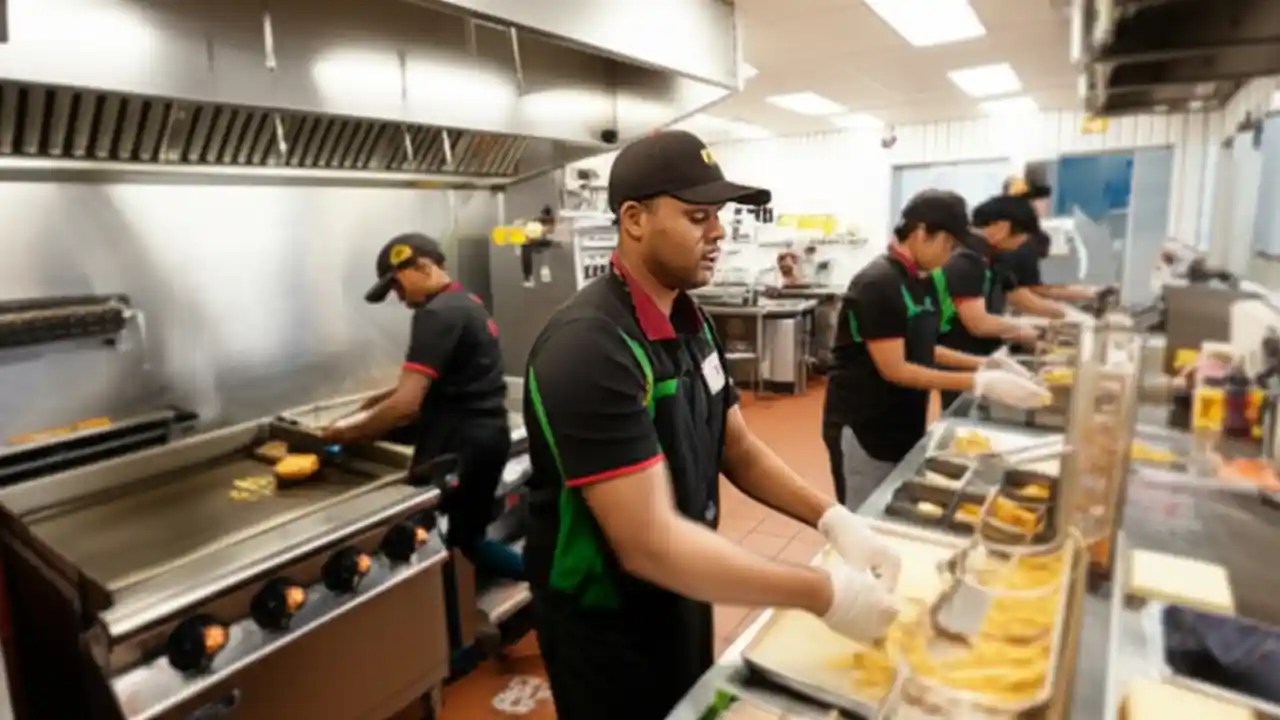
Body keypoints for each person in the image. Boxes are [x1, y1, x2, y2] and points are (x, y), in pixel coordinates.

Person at [523, 130, 902, 720]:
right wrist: (821, 593)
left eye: (718, 216)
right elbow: (648, 543)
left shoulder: (690, 320)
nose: (719, 232)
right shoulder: (589, 348)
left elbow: (739, 448)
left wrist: (832, 519)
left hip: (686, 583)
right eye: (697, 216)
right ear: (634, 219)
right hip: (608, 619)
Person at [821, 191, 1052, 510]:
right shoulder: (878, 284)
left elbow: (925, 348)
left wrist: (985, 365)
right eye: (948, 245)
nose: (950, 256)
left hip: (904, 421)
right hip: (866, 428)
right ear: (921, 232)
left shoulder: (923, 281)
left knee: (895, 506)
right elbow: (897, 369)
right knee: (867, 516)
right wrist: (977, 384)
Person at [322, 233, 523, 580]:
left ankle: (560, 591)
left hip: (460, 450)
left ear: (422, 267)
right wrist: (368, 407)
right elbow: (421, 384)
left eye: (398, 287)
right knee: (461, 535)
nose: (400, 299)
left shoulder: (436, 314)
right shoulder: (465, 301)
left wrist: (342, 434)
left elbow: (406, 406)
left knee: (454, 540)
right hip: (486, 438)